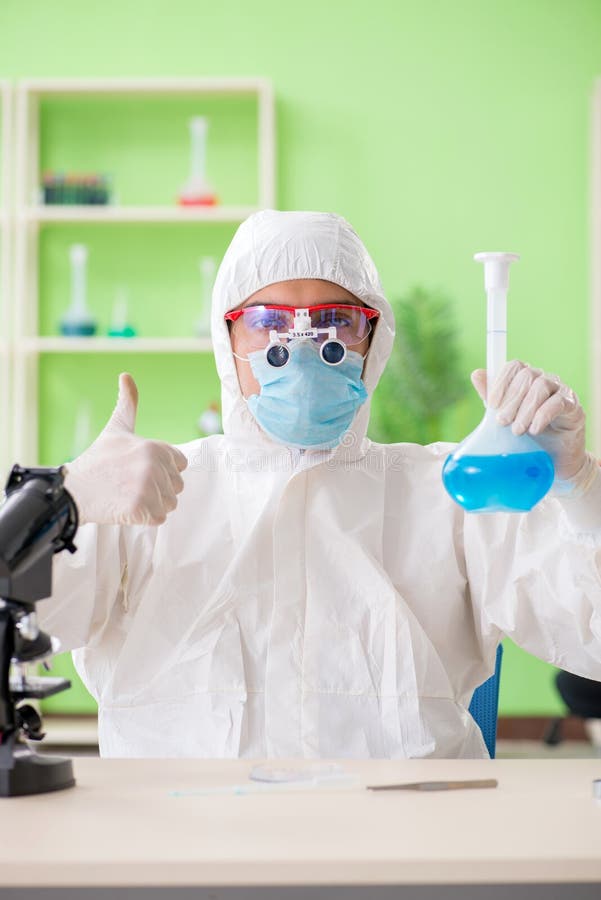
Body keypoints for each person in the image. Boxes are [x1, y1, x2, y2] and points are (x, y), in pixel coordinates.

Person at [40, 210, 601, 758]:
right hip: (187, 837)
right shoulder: (150, 496)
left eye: (336, 320)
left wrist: (579, 486)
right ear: (227, 335)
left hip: (405, 835)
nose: (304, 348)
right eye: (268, 322)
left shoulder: (451, 494)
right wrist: (65, 501)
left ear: (371, 340)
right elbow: (20, 621)